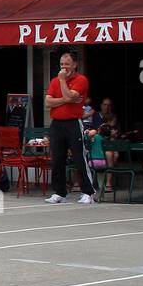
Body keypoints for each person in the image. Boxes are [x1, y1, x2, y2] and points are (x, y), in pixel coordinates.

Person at [44, 50, 97, 205]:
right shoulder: (54, 81)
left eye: (66, 64)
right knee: (57, 159)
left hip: (73, 122)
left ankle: (88, 192)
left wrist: (62, 83)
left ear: (75, 65)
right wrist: (65, 99)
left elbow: (71, 96)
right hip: (57, 123)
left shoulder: (81, 80)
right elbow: (48, 102)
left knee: (79, 157)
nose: (63, 67)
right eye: (61, 64)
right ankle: (59, 192)